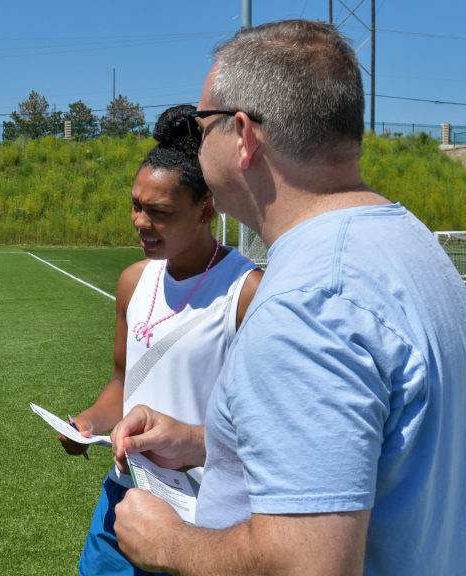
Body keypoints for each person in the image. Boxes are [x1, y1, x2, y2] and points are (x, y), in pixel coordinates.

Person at [112, 19, 466, 575]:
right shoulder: (409, 243)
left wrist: (169, 543)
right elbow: (366, 453)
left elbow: (306, 565)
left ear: (244, 137)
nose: (196, 140)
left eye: (204, 125)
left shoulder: (311, 303)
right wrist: (203, 444)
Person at [57, 104, 261, 576]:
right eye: (135, 204)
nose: (140, 222)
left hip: (203, 518)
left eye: (159, 212)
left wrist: (189, 441)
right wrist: (85, 423)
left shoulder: (246, 292)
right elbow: (123, 383)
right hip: (124, 500)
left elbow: (268, 431)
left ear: (205, 209)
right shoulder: (133, 281)